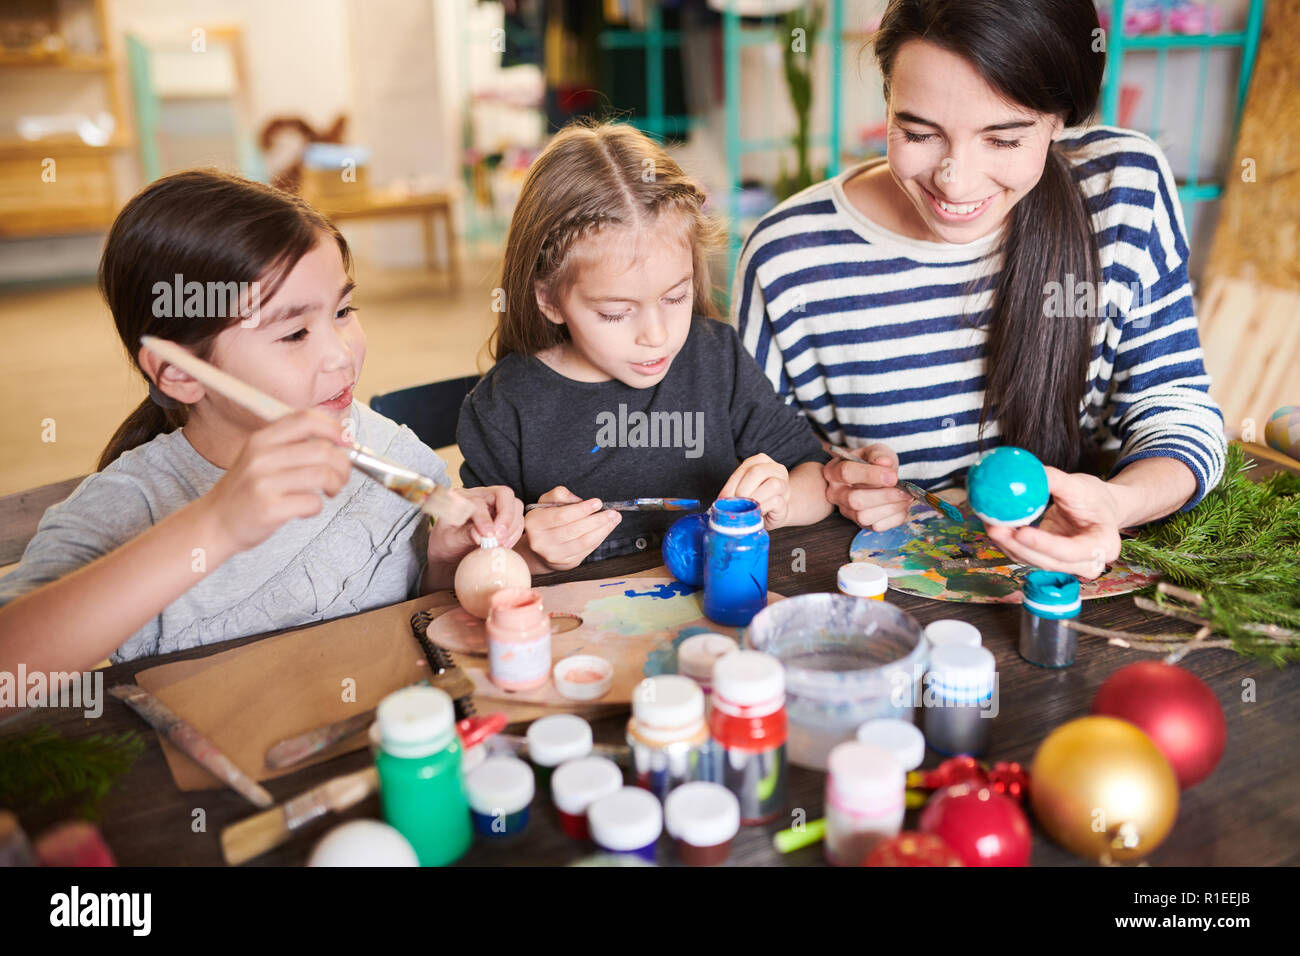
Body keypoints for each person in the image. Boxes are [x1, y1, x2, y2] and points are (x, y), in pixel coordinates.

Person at [734, 0, 1226, 579]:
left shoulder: (1121, 191)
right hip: (870, 589)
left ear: (1061, 118)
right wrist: (834, 479)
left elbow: (1174, 406)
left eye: (1005, 140)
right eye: (918, 132)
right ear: (887, 98)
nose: (956, 181)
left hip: (1064, 580)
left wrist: (1116, 503)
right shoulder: (788, 255)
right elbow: (759, 467)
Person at [0, 170, 522, 674]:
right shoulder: (124, 507)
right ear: (181, 373)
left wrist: (444, 564)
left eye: (343, 311)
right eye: (294, 333)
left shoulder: (392, 454)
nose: (341, 356)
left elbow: (412, 617)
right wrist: (218, 523)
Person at [458, 121, 833, 572]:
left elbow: (817, 476)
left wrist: (784, 500)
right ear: (549, 299)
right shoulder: (503, 408)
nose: (656, 335)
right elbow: (465, 565)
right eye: (616, 312)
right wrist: (529, 553)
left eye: (676, 297)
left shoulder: (716, 359)